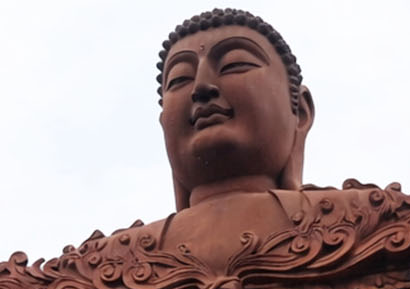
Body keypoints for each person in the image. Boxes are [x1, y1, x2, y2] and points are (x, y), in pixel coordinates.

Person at [128, 9, 373, 270]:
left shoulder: (363, 218)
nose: (201, 87)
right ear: (164, 123)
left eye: (235, 64)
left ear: (300, 112)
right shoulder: (125, 258)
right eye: (179, 79)